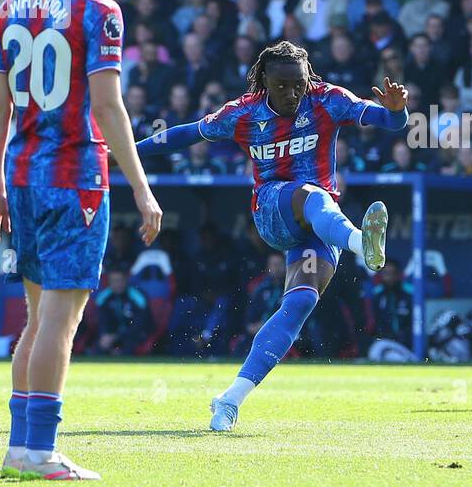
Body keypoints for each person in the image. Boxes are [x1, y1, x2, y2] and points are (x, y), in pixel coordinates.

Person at [0, 0, 164, 482]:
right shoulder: (100, 9)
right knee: (61, 321)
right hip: (77, 180)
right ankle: (41, 453)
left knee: (36, 319)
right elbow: (107, 107)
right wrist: (139, 184)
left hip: (22, 178)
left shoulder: (10, 5)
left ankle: (17, 447)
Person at [136, 41, 409, 429]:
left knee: (297, 306)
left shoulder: (327, 99)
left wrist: (398, 112)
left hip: (319, 227)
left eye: (298, 84)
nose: (292, 93)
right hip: (273, 210)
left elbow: (388, 121)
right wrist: (130, 150)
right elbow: (185, 135)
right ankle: (360, 245)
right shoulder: (243, 112)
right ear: (264, 80)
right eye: (282, 85)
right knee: (309, 193)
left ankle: (230, 400)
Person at [92, 266, 153, 355]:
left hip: (134, 336)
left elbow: (141, 324)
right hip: (113, 336)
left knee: (129, 348)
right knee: (100, 346)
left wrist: (117, 337)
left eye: (120, 280)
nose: (118, 284)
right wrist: (106, 336)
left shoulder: (137, 296)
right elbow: (103, 322)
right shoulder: (103, 298)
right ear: (109, 282)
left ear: (126, 280)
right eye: (114, 281)